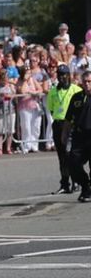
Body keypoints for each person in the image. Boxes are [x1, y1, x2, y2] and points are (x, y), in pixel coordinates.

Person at [47, 65, 81, 194]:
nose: (62, 77)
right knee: (61, 156)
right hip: (58, 124)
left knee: (70, 154)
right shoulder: (53, 91)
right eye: (59, 74)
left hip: (71, 124)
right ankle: (65, 183)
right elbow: (51, 109)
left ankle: (76, 180)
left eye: (64, 74)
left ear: (68, 75)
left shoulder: (76, 90)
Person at [62, 70, 91, 202]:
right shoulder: (76, 97)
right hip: (80, 136)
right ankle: (85, 185)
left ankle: (87, 192)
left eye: (89, 82)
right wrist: (64, 134)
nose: (87, 84)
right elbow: (68, 118)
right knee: (73, 164)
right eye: (85, 82)